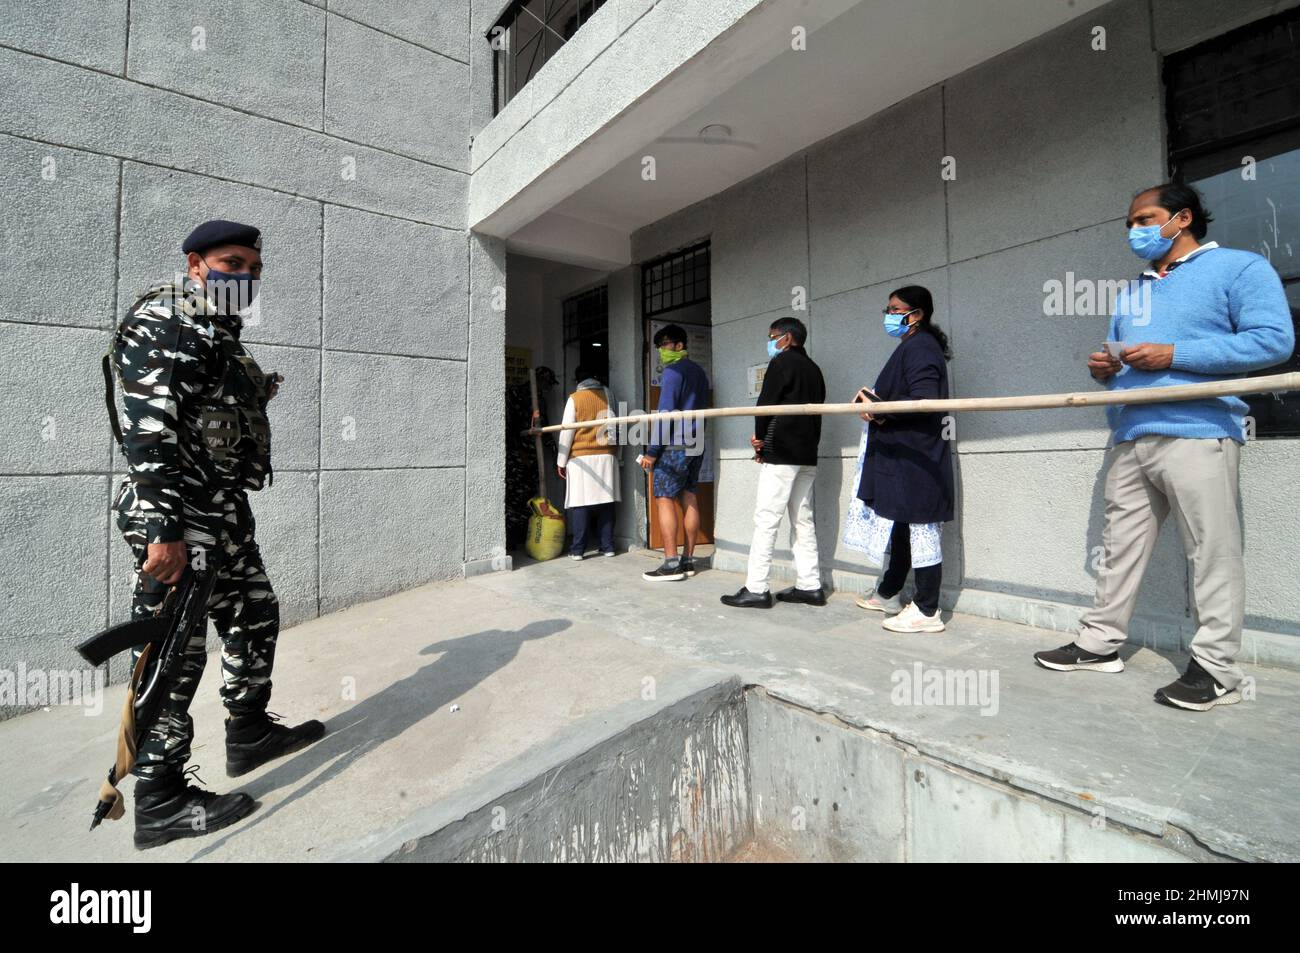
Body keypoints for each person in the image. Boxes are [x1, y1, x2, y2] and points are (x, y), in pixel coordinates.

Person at [1034, 182, 1294, 711]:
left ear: (1183, 218)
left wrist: (1175, 352)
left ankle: (1217, 669)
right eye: (1129, 222)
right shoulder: (1133, 291)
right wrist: (1104, 369)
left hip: (1199, 430)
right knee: (1119, 546)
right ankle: (1099, 644)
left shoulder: (1241, 270)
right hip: (1132, 434)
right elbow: (1123, 361)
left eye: (1145, 218)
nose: (1135, 230)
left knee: (1211, 550)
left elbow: (1273, 340)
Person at [109, 219, 324, 849]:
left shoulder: (216, 332)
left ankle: (249, 731)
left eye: (254, 269)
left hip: (220, 515)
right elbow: (150, 436)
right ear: (195, 263)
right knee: (175, 653)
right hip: (176, 518)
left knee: (256, 612)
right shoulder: (166, 321)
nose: (246, 277)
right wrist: (165, 532)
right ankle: (160, 797)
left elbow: (212, 415)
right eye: (233, 263)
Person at [853, 285, 955, 633]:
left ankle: (927, 610)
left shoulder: (921, 347)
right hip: (904, 453)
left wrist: (879, 409)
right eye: (888, 308)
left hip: (918, 455)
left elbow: (922, 400)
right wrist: (874, 403)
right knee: (901, 526)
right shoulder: (912, 347)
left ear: (916, 314)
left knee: (922, 528)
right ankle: (890, 592)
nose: (889, 314)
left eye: (895, 309)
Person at [722, 317, 827, 609]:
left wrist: (759, 440)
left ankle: (756, 588)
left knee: (766, 519)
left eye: (773, 336)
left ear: (788, 338)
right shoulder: (815, 369)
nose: (770, 342)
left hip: (782, 452)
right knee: (802, 519)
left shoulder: (781, 363)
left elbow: (765, 406)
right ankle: (810, 585)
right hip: (807, 454)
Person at [641, 324, 710, 581]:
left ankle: (670, 563)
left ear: (679, 345)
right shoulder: (700, 373)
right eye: (658, 347)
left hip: (673, 445)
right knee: (689, 495)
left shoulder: (672, 372)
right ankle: (688, 560)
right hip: (697, 443)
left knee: (664, 497)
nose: (661, 351)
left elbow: (666, 414)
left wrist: (652, 450)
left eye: (665, 345)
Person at [557, 366, 619, 559]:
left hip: (581, 458)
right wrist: (617, 454)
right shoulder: (609, 395)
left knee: (580, 503)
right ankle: (608, 547)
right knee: (606, 503)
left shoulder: (575, 398)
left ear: (578, 381)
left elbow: (567, 431)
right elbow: (616, 426)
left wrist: (561, 460)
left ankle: (577, 550)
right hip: (607, 456)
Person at [505, 366, 558, 550]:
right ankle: (511, 539)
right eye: (548, 384)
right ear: (541, 380)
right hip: (517, 457)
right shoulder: (514, 393)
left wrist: (554, 450)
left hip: (531, 456)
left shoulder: (540, 399)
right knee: (514, 498)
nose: (549, 388)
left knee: (528, 497)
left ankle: (522, 537)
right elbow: (508, 427)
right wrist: (518, 452)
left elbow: (544, 427)